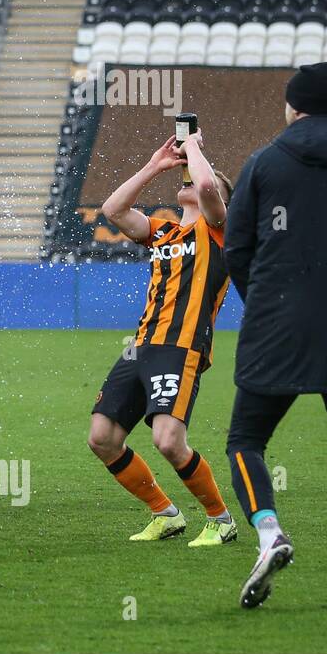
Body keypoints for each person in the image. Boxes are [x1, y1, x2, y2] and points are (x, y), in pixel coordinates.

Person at [87, 130, 237, 547]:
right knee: (102, 438)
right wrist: (156, 165)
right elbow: (113, 209)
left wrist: (192, 147)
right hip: (140, 347)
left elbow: (207, 185)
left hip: (182, 346)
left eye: (199, 179)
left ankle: (221, 519)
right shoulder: (164, 233)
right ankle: (165, 514)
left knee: (168, 440)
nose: (190, 179)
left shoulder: (219, 230)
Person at [224, 62, 327, 608]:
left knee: (246, 439)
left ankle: (269, 534)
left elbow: (236, 251)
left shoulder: (264, 161)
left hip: (278, 323)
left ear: (293, 108)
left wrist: (266, 305)